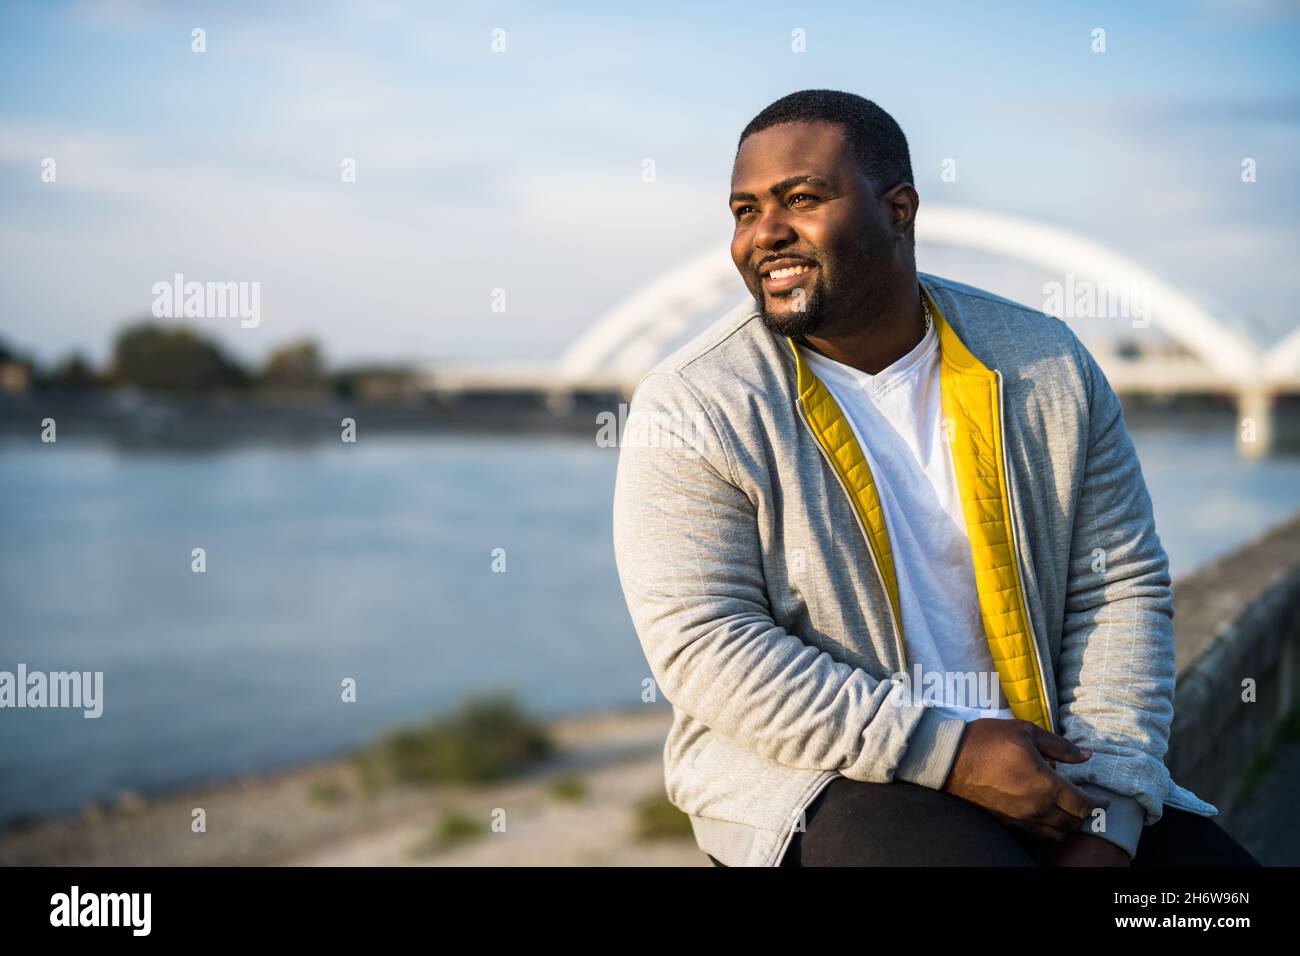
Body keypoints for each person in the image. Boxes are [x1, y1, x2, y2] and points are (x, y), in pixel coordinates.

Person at [610, 89, 1259, 867]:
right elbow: (707, 642)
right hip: (823, 781)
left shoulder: (1043, 362)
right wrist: (953, 754)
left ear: (900, 210)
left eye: (803, 199)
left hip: (1049, 768)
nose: (764, 235)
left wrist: (1110, 810)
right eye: (744, 211)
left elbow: (1118, 586)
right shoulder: (695, 402)